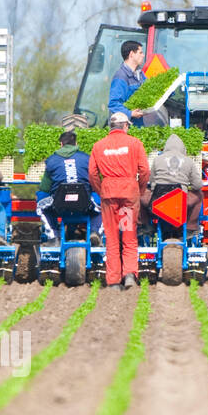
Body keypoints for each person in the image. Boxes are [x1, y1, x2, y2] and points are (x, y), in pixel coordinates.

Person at [88, 111, 150, 289]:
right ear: (125, 126)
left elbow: (92, 173)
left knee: (112, 238)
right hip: (128, 197)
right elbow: (145, 171)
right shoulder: (134, 143)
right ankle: (129, 275)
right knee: (129, 235)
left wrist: (102, 190)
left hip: (109, 196)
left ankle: (114, 281)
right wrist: (139, 190)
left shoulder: (99, 146)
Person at [35, 130, 99, 242]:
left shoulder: (51, 161)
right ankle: (94, 232)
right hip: (84, 205)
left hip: (59, 206)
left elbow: (44, 188)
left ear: (61, 144)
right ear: (76, 143)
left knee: (42, 206)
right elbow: (95, 183)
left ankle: (54, 236)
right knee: (101, 208)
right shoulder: (87, 159)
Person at [146, 133, 202, 239]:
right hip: (180, 203)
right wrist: (188, 186)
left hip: (158, 202)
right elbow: (198, 185)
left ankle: (146, 227)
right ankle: (190, 227)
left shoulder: (157, 159)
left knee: (141, 195)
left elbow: (151, 181)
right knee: (199, 194)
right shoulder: (188, 161)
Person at [108, 40, 147, 126]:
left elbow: (150, 90)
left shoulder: (140, 74)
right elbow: (113, 104)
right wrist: (130, 113)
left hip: (139, 125)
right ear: (131, 54)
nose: (143, 55)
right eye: (140, 53)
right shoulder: (121, 77)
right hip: (126, 127)